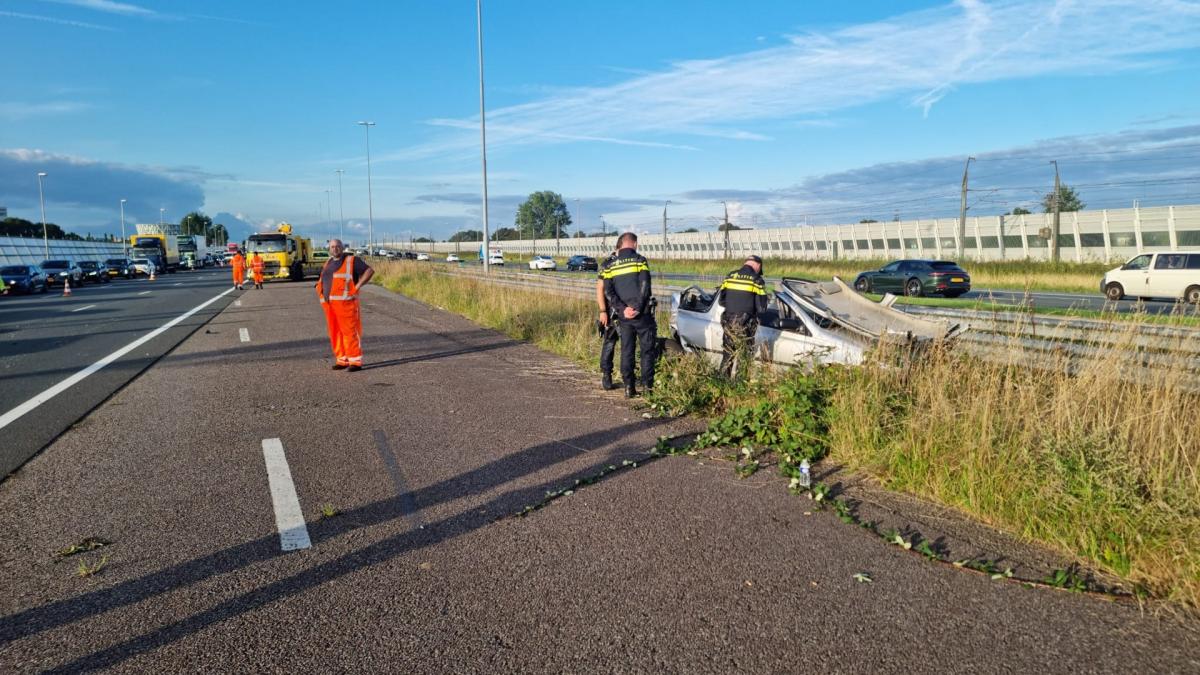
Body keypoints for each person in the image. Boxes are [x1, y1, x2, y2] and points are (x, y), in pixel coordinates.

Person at [600, 232, 655, 398]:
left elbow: (608, 291)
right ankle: (647, 387)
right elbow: (645, 285)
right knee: (647, 350)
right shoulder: (640, 260)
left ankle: (629, 388)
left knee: (627, 351)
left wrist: (622, 309)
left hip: (623, 317)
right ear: (635, 244)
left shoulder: (610, 265)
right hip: (642, 315)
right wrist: (637, 307)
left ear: (620, 244)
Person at [317, 238, 374, 371]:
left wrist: (357, 286)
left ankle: (355, 361)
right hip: (330, 305)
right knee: (335, 333)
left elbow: (369, 271)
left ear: (342, 248)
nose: (334, 249)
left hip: (346, 304)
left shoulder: (352, 261)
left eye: (337, 246)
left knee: (350, 332)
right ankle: (342, 359)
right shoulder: (328, 262)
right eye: (332, 247)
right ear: (329, 249)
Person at [718, 255, 768, 379]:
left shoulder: (730, 276)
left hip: (728, 321)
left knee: (728, 354)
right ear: (758, 266)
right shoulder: (757, 280)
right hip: (746, 324)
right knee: (744, 356)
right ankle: (740, 386)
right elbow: (762, 308)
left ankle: (722, 383)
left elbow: (721, 301)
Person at [595, 249, 620, 390]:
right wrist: (603, 311)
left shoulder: (630, 260)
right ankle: (606, 375)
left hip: (627, 310)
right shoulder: (607, 264)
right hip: (610, 311)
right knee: (609, 343)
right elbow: (600, 288)